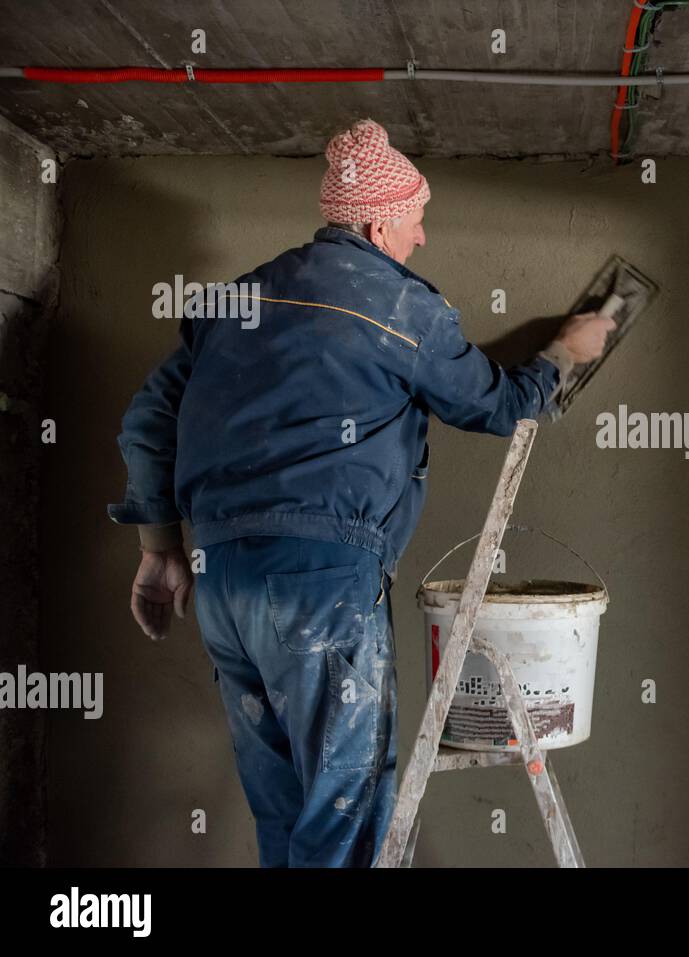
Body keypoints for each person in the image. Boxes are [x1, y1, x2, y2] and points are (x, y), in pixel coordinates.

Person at [106, 118, 614, 867]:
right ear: (379, 223)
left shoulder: (235, 302)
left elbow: (149, 419)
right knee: (344, 821)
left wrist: (159, 549)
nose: (423, 239)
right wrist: (564, 354)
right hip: (321, 588)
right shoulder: (398, 305)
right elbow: (499, 406)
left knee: (282, 806)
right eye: (416, 220)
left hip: (224, 587)